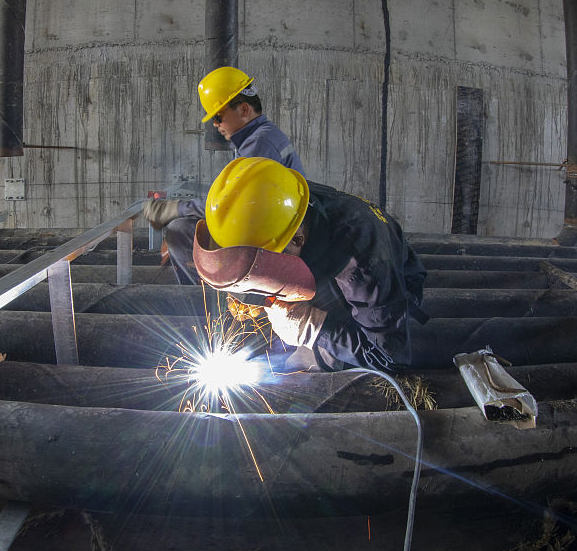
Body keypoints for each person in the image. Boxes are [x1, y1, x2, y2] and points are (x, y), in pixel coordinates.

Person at [191, 156, 428, 373]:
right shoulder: (280, 199)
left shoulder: (361, 268)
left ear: (297, 239)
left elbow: (389, 357)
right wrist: (253, 291)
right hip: (329, 259)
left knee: (307, 365)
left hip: (394, 286)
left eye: (265, 264)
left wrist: (314, 327)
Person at [143, 66, 303, 284]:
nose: (216, 124)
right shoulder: (261, 137)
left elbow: (230, 204)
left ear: (244, 109)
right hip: (275, 227)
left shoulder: (259, 144)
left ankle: (202, 297)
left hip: (277, 237)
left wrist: (174, 209)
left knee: (180, 230)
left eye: (219, 116)